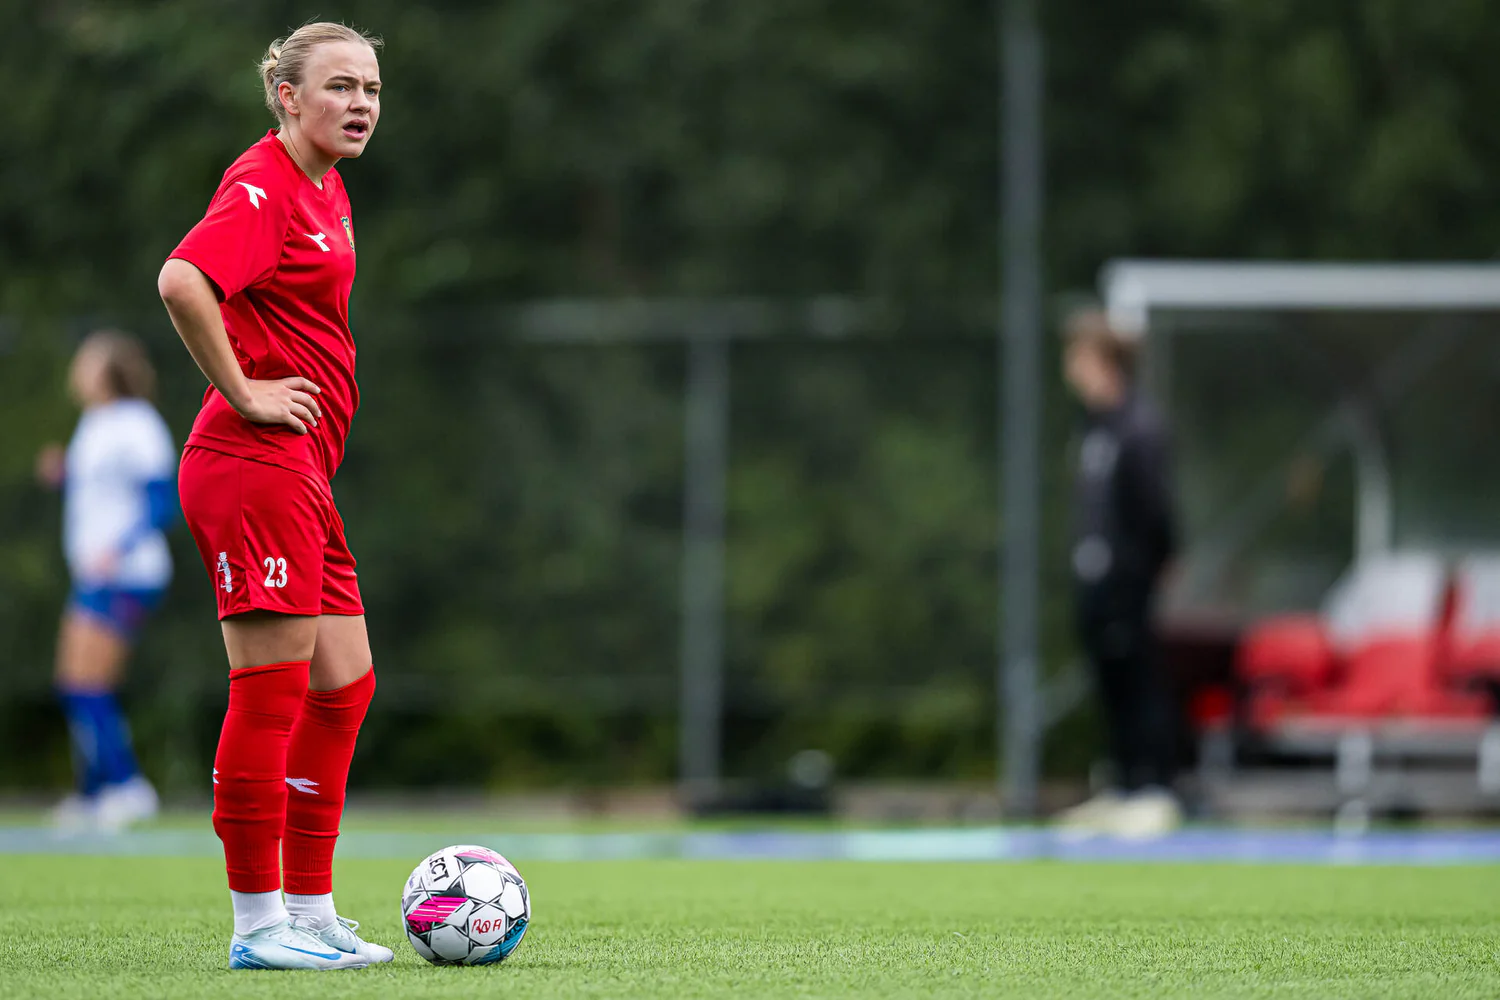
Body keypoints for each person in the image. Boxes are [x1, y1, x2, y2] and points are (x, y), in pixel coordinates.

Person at [156, 22, 391, 971]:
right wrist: (247, 391)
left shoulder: (324, 186)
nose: (361, 103)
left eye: (371, 87)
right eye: (339, 86)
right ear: (287, 97)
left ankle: (310, 907)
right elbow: (182, 280)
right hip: (251, 461)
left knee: (345, 683)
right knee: (273, 690)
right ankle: (258, 928)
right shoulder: (263, 184)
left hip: (301, 471)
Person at [37, 330, 176, 833]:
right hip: (96, 572)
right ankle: (95, 793)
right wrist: (65, 475)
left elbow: (164, 499)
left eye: (87, 360)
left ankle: (128, 788)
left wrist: (116, 550)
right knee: (75, 683)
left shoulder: (137, 422)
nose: (78, 369)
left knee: (88, 682)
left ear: (108, 370)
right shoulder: (93, 422)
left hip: (128, 573)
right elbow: (103, 491)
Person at [1056, 308, 1182, 839]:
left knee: (1137, 680)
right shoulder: (1095, 430)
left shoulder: (1138, 426)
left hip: (1128, 579)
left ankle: (1153, 788)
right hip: (1094, 579)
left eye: (1078, 356)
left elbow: (1156, 509)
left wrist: (1157, 563)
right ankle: (1124, 784)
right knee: (1108, 682)